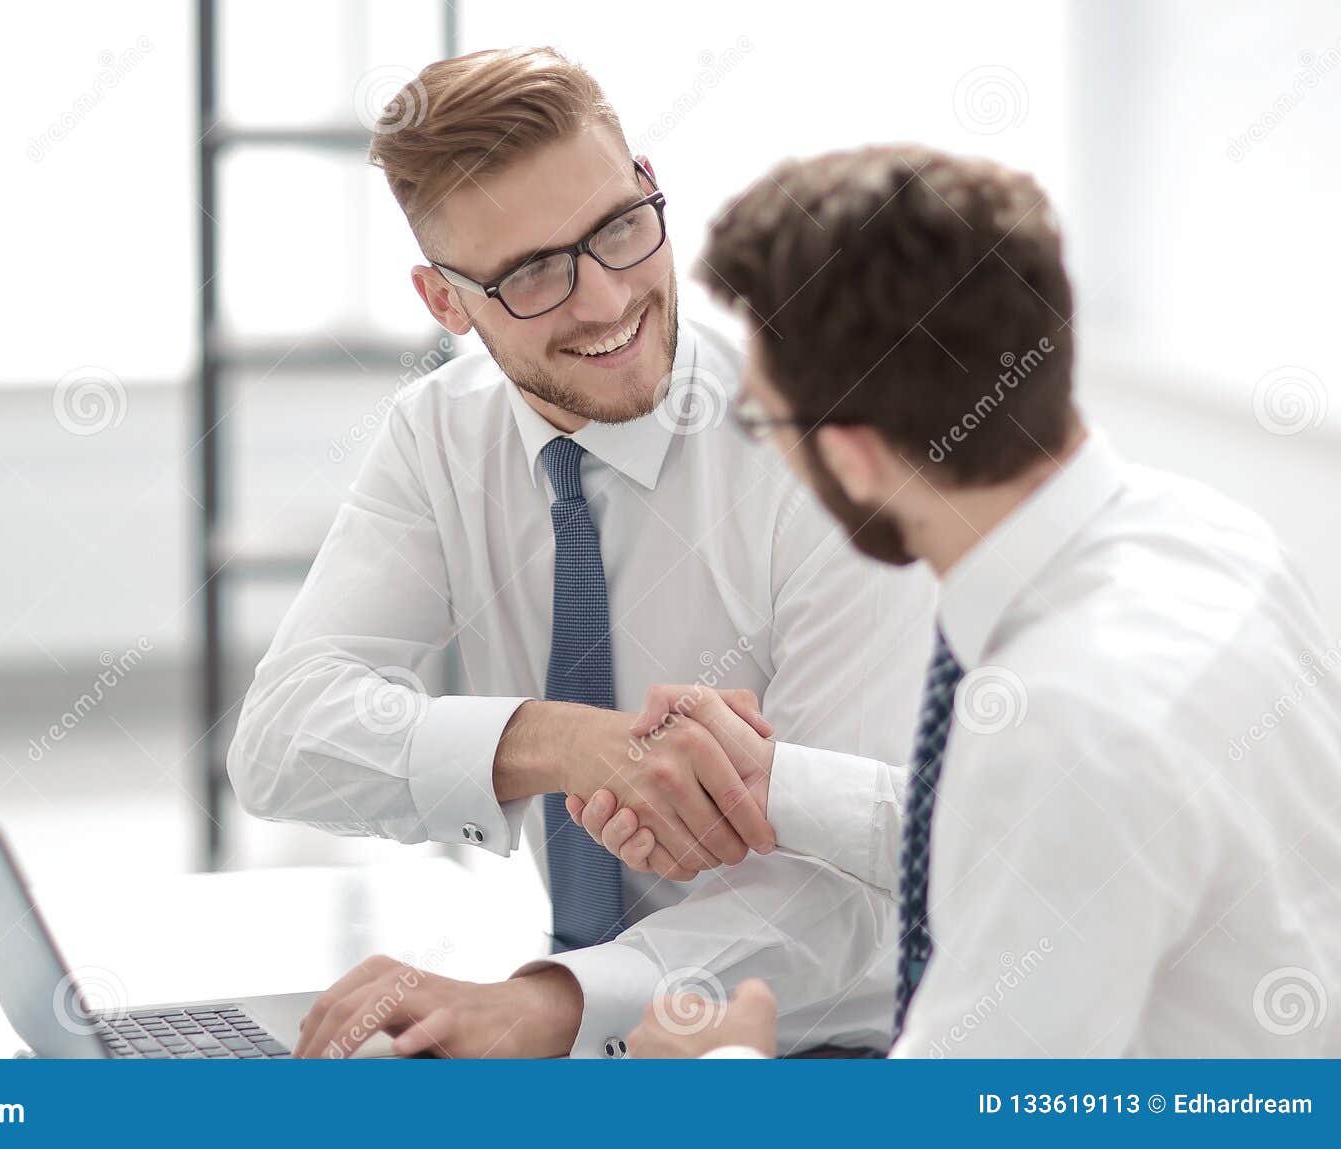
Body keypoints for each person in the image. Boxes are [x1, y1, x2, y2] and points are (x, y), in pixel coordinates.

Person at [226, 49, 935, 1058]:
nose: (602, 301)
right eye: (528, 276)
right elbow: (281, 741)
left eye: (615, 230)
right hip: (622, 1035)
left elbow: (846, 898)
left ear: (647, 187)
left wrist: (547, 1003)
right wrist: (569, 743)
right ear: (443, 302)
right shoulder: (440, 432)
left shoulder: (829, 455)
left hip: (841, 1049)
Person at [564, 144, 1341, 1057]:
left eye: (768, 421)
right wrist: (775, 784)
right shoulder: (1212, 536)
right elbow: (1038, 850)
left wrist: (716, 1074)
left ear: (852, 453)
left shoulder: (1063, 726)